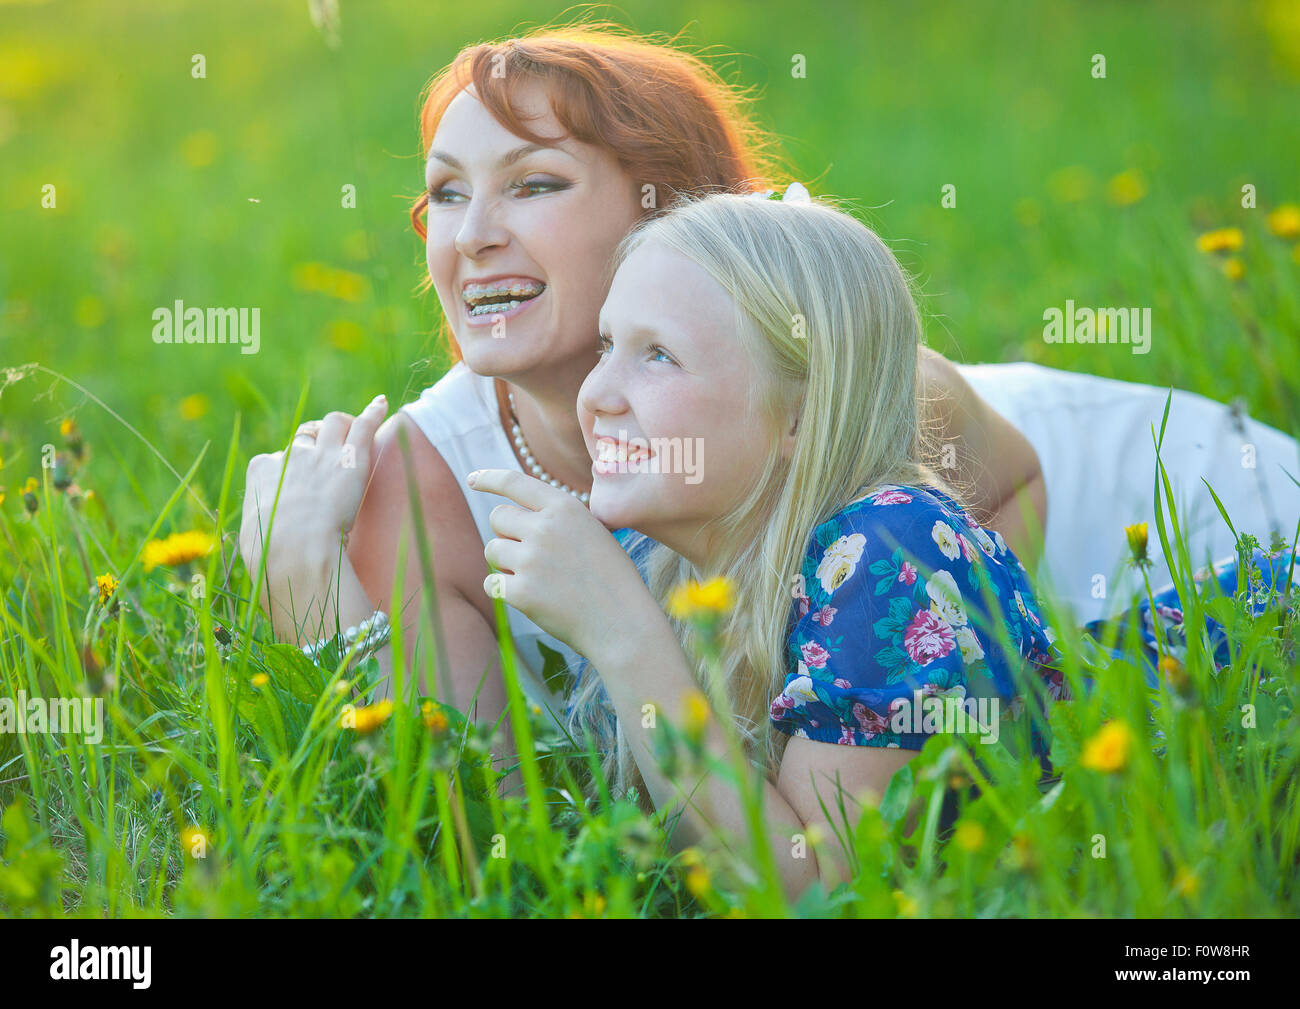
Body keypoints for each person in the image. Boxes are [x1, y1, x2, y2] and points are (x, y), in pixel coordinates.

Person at [465, 190, 1061, 900]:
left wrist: (621, 631)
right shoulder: (655, 555)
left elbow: (814, 893)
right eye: (607, 345)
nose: (595, 394)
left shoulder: (888, 550)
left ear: (800, 417)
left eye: (657, 355)